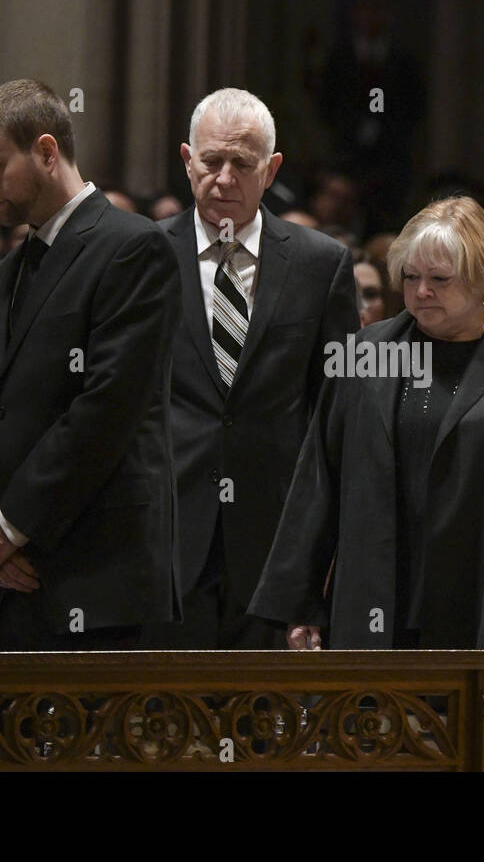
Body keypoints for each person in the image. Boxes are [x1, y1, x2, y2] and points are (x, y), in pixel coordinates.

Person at [248, 196, 484, 771]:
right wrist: (299, 602)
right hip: (374, 599)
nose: (420, 293)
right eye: (410, 277)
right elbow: (319, 484)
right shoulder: (363, 356)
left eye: (440, 279)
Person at [0, 79, 182, 650]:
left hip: (97, 580)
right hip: (6, 583)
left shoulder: (132, 247)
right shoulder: (6, 272)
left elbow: (106, 408)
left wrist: (11, 526)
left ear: (47, 152)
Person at [153, 88, 358, 649]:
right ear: (186, 160)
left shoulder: (322, 263)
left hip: (276, 544)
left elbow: (334, 414)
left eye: (242, 164)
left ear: (271, 171)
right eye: (210, 161)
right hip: (166, 539)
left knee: (264, 729)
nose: (223, 178)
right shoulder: (141, 256)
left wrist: (318, 564)